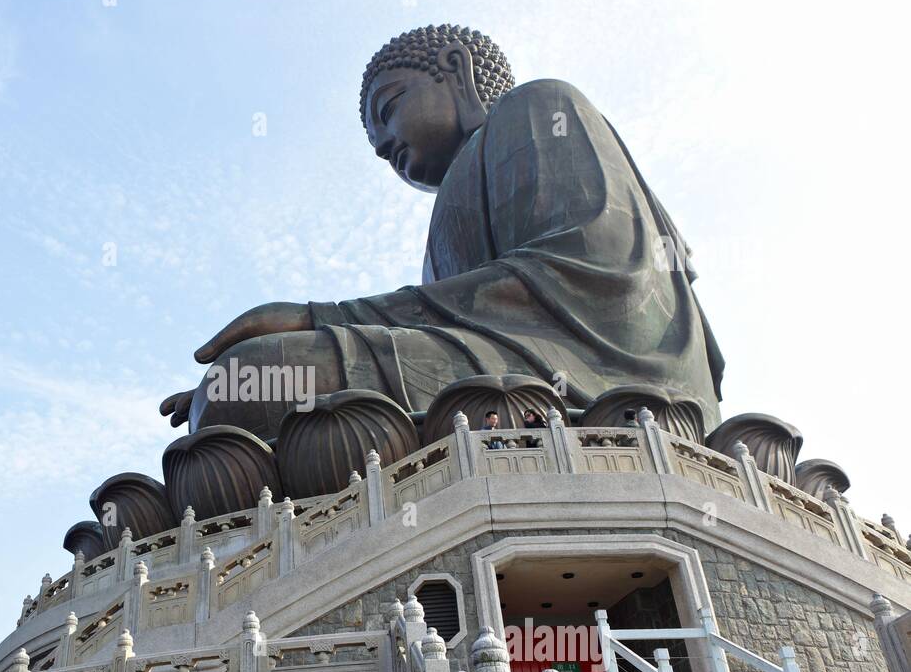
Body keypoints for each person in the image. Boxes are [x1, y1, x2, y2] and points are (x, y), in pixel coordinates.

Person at [160, 24, 724, 441]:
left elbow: (590, 274)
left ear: (456, 69)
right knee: (242, 386)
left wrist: (318, 318)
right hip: (497, 378)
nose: (383, 145)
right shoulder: (446, 219)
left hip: (610, 382)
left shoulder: (540, 106)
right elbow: (457, 333)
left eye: (390, 107)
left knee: (251, 377)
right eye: (376, 145)